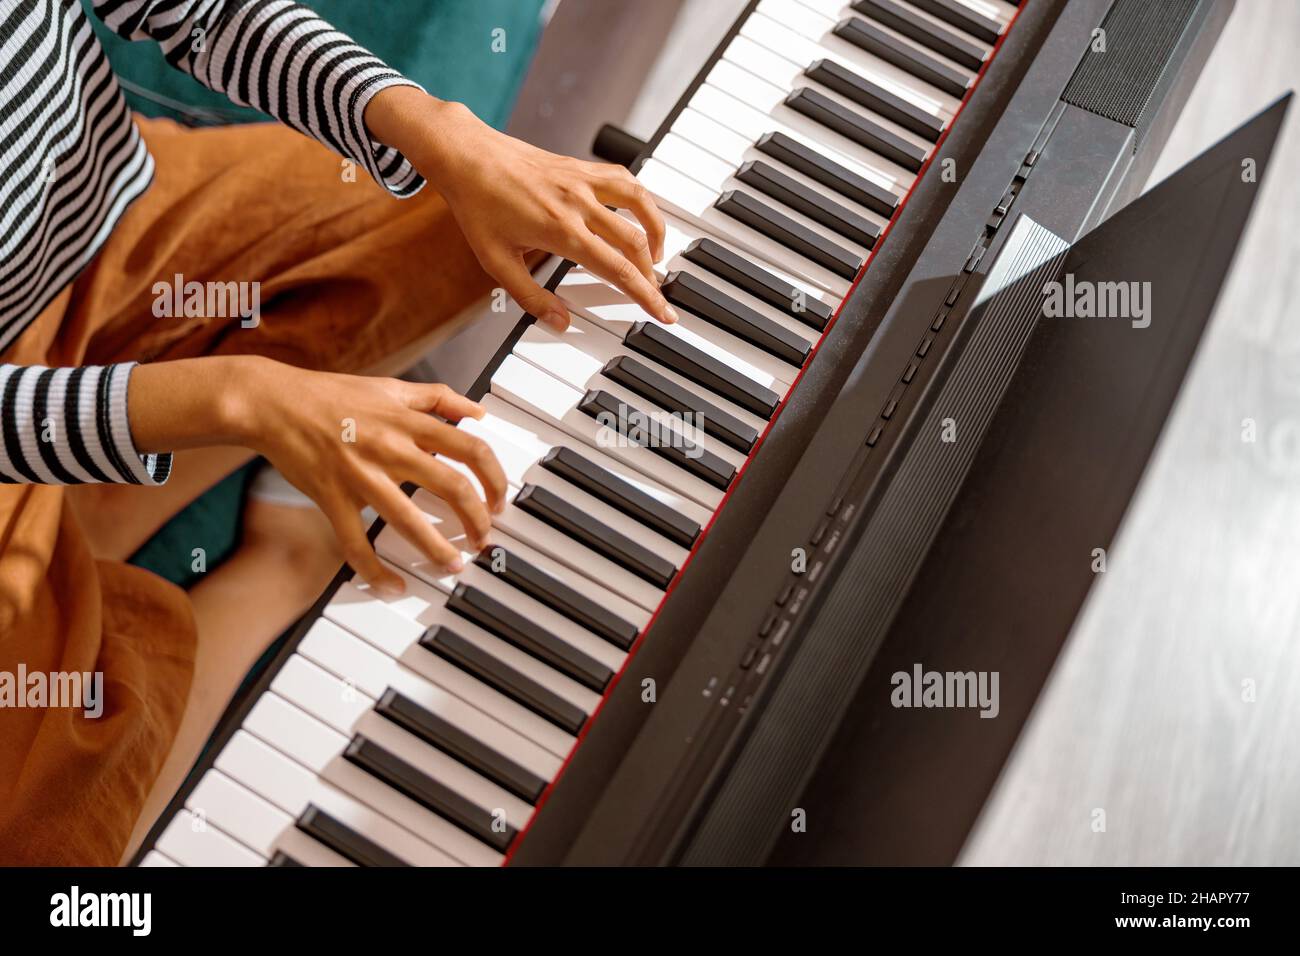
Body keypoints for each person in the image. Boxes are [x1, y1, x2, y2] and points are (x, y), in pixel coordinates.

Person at [0, 0, 673, 865]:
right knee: (49, 847)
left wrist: (440, 131)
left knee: (521, 223)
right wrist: (237, 398)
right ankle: (281, 563)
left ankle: (94, 503)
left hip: (115, 221)